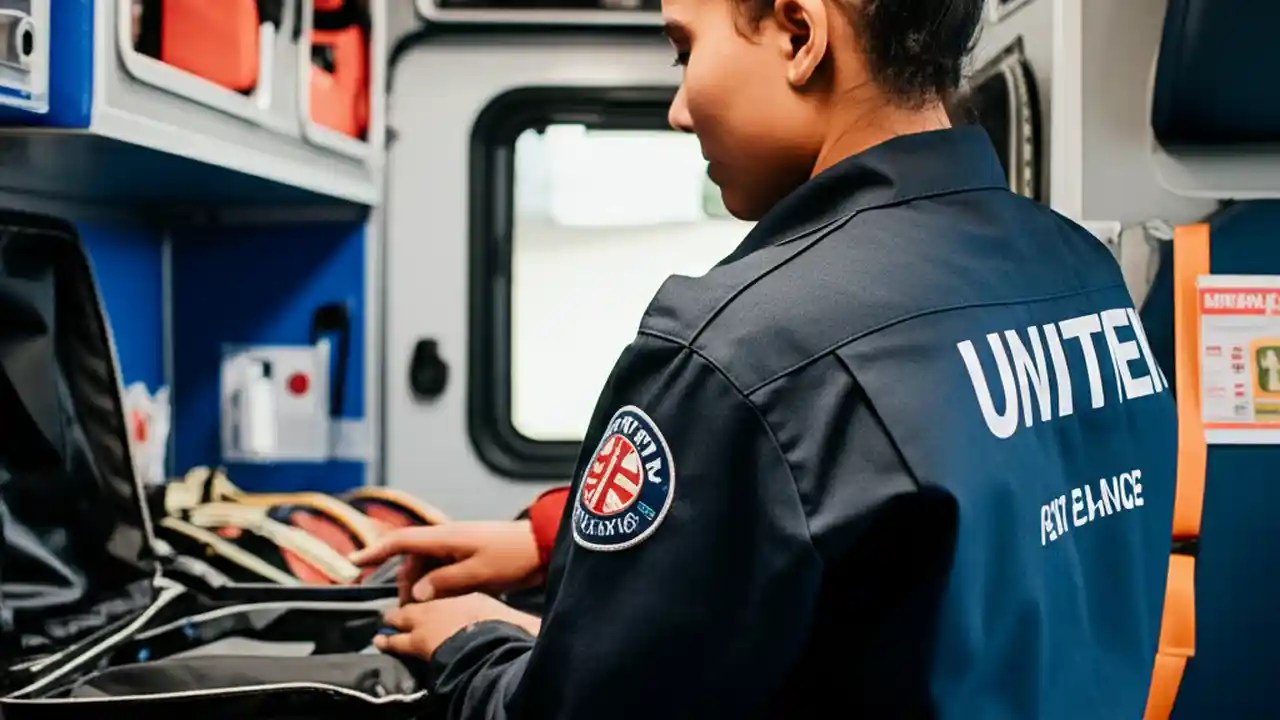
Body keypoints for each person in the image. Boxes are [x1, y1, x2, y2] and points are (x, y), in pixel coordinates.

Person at [350, 0, 1180, 714]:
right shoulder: (1080, 271)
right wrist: (549, 540)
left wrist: (477, 644)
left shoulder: (742, 348)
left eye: (685, 50)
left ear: (797, 32)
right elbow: (926, 518)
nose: (678, 108)